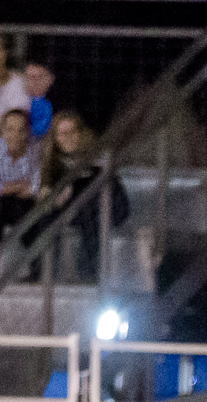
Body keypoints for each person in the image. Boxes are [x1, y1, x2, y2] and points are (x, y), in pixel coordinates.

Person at [31, 110, 126, 280]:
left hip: (104, 208)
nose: (67, 137)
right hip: (74, 210)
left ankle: (89, 274)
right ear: (55, 138)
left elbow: (109, 187)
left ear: (81, 133)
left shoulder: (96, 155)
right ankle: (41, 274)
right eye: (62, 133)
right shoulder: (53, 163)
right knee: (45, 218)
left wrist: (73, 188)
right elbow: (45, 193)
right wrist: (54, 198)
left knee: (89, 210)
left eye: (71, 132)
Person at [0, 107, 39, 252]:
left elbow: (35, 187)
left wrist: (6, 187)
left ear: (28, 131)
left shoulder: (35, 150)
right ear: (2, 130)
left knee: (25, 211)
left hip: (24, 204)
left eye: (21, 130)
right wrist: (19, 187)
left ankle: (36, 268)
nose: (16, 135)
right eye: (10, 129)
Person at [21, 64, 54, 139]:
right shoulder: (16, 101)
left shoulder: (56, 103)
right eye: (31, 77)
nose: (35, 81)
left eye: (40, 77)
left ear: (50, 79)